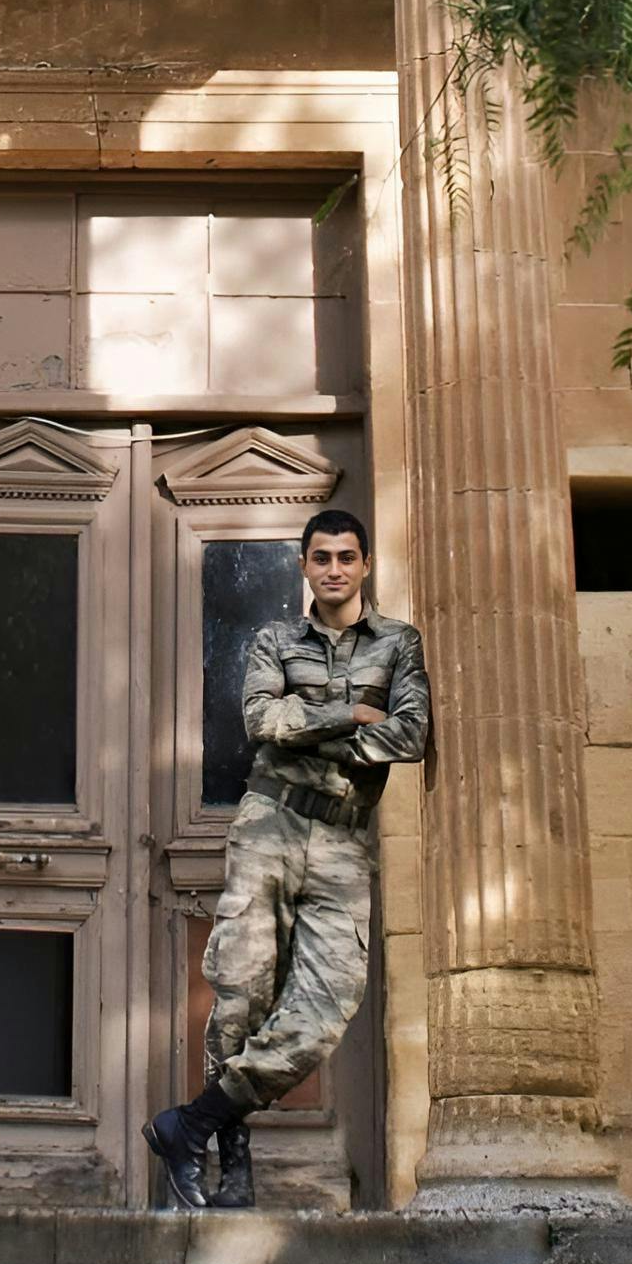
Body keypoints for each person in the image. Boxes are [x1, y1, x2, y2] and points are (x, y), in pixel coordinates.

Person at [144, 507, 430, 1209]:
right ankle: (232, 1167)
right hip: (269, 824)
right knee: (240, 997)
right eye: (321, 557)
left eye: (346, 557)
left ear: (365, 565)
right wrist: (350, 715)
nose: (334, 569)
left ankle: (192, 1124)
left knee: (323, 1010)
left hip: (342, 838)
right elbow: (259, 721)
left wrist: (308, 726)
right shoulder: (274, 639)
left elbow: (411, 735)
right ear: (303, 566)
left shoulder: (398, 643)